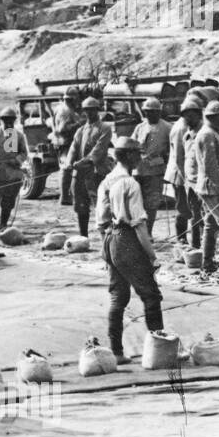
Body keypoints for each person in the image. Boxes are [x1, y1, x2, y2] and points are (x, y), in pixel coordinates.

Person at [96, 136, 164, 364]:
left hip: (110, 239)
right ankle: (160, 351)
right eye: (137, 154)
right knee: (151, 295)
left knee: (119, 297)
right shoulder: (130, 184)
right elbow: (139, 224)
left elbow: (100, 220)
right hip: (127, 240)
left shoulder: (106, 181)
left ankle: (115, 351)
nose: (140, 157)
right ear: (128, 156)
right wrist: (151, 255)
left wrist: (109, 248)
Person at [188, 100, 219, 272]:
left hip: (208, 187)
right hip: (213, 188)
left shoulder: (207, 133)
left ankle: (207, 264)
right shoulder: (208, 134)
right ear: (215, 117)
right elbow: (211, 167)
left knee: (210, 225)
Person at [68, 97, 114, 239]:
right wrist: (70, 162)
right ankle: (83, 235)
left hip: (96, 172)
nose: (89, 113)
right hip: (80, 173)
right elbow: (73, 147)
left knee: (101, 206)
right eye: (87, 110)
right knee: (80, 204)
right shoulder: (81, 130)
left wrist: (83, 162)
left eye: (92, 110)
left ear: (97, 110)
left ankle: (106, 237)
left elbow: (98, 151)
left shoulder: (104, 128)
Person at [164, 95, 205, 249]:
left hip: (189, 174)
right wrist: (187, 179)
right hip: (180, 174)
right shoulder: (180, 128)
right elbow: (179, 157)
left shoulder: (195, 126)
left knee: (194, 210)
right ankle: (181, 239)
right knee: (184, 209)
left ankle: (195, 239)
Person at [0, 106, 29, 231]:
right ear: (1, 120)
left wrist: (16, 160)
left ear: (14, 121)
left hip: (13, 175)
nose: (8, 122)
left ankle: (3, 226)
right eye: (5, 120)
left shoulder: (18, 135)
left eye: (11, 120)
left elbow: (24, 153)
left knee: (8, 203)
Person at [130, 97, 171, 235]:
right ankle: (138, 232)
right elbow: (132, 146)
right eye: (147, 112)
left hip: (155, 170)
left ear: (159, 112)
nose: (150, 114)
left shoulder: (167, 127)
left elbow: (171, 152)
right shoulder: (140, 127)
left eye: (153, 112)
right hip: (138, 170)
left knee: (152, 204)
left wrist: (166, 168)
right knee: (136, 203)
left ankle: (148, 233)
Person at [53, 92, 82, 206]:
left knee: (68, 168)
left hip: (64, 142)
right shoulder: (66, 111)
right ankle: (64, 197)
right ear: (72, 100)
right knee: (66, 168)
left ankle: (67, 195)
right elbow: (62, 129)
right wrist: (78, 124)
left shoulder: (60, 107)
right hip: (65, 142)